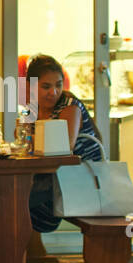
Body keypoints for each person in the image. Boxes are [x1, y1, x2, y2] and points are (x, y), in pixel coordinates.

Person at [25, 54, 105, 234]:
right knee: (5, 197)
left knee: (13, 201)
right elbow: (24, 142)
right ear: (31, 86)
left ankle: (10, 257)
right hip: (55, 178)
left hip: (79, 182)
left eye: (58, 85)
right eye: (46, 86)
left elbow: (64, 149)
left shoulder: (69, 106)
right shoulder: (33, 109)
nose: (53, 92)